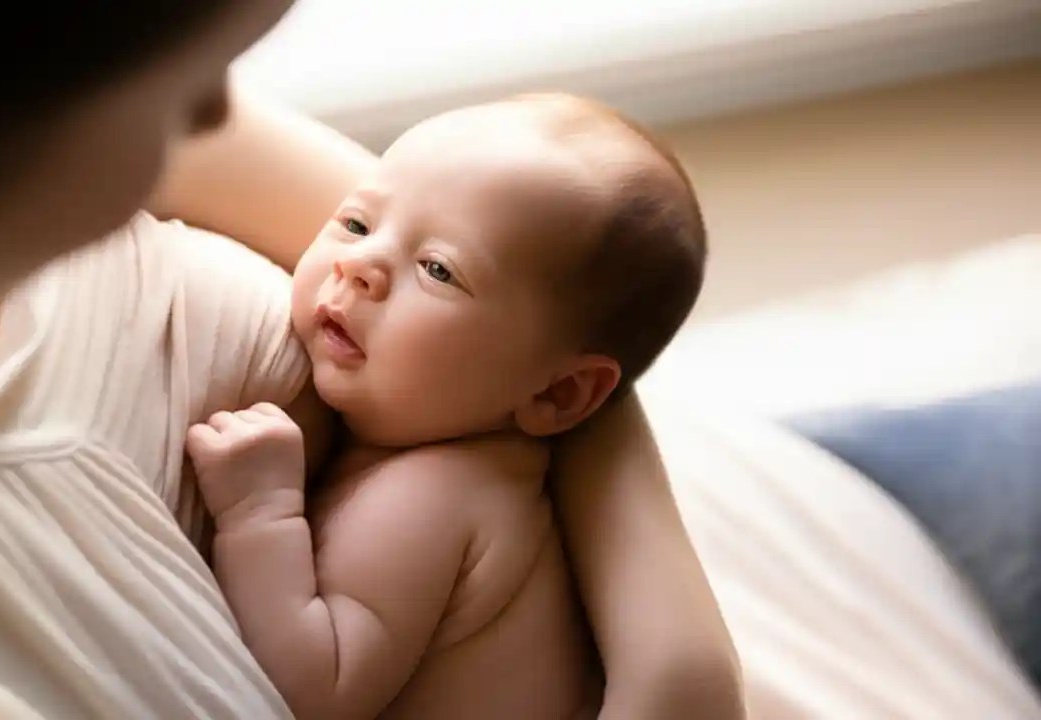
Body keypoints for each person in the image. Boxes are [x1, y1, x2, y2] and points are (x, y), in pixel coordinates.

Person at [0, 4, 741, 719]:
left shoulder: (447, 476)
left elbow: (319, 678)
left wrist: (682, 667)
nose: (221, 117)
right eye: (354, 222)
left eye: (433, 269)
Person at [185, 95, 704, 719]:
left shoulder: (432, 493)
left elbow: (311, 690)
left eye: (437, 270)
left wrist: (259, 513)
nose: (360, 265)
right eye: (356, 224)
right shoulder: (470, 462)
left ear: (556, 393)